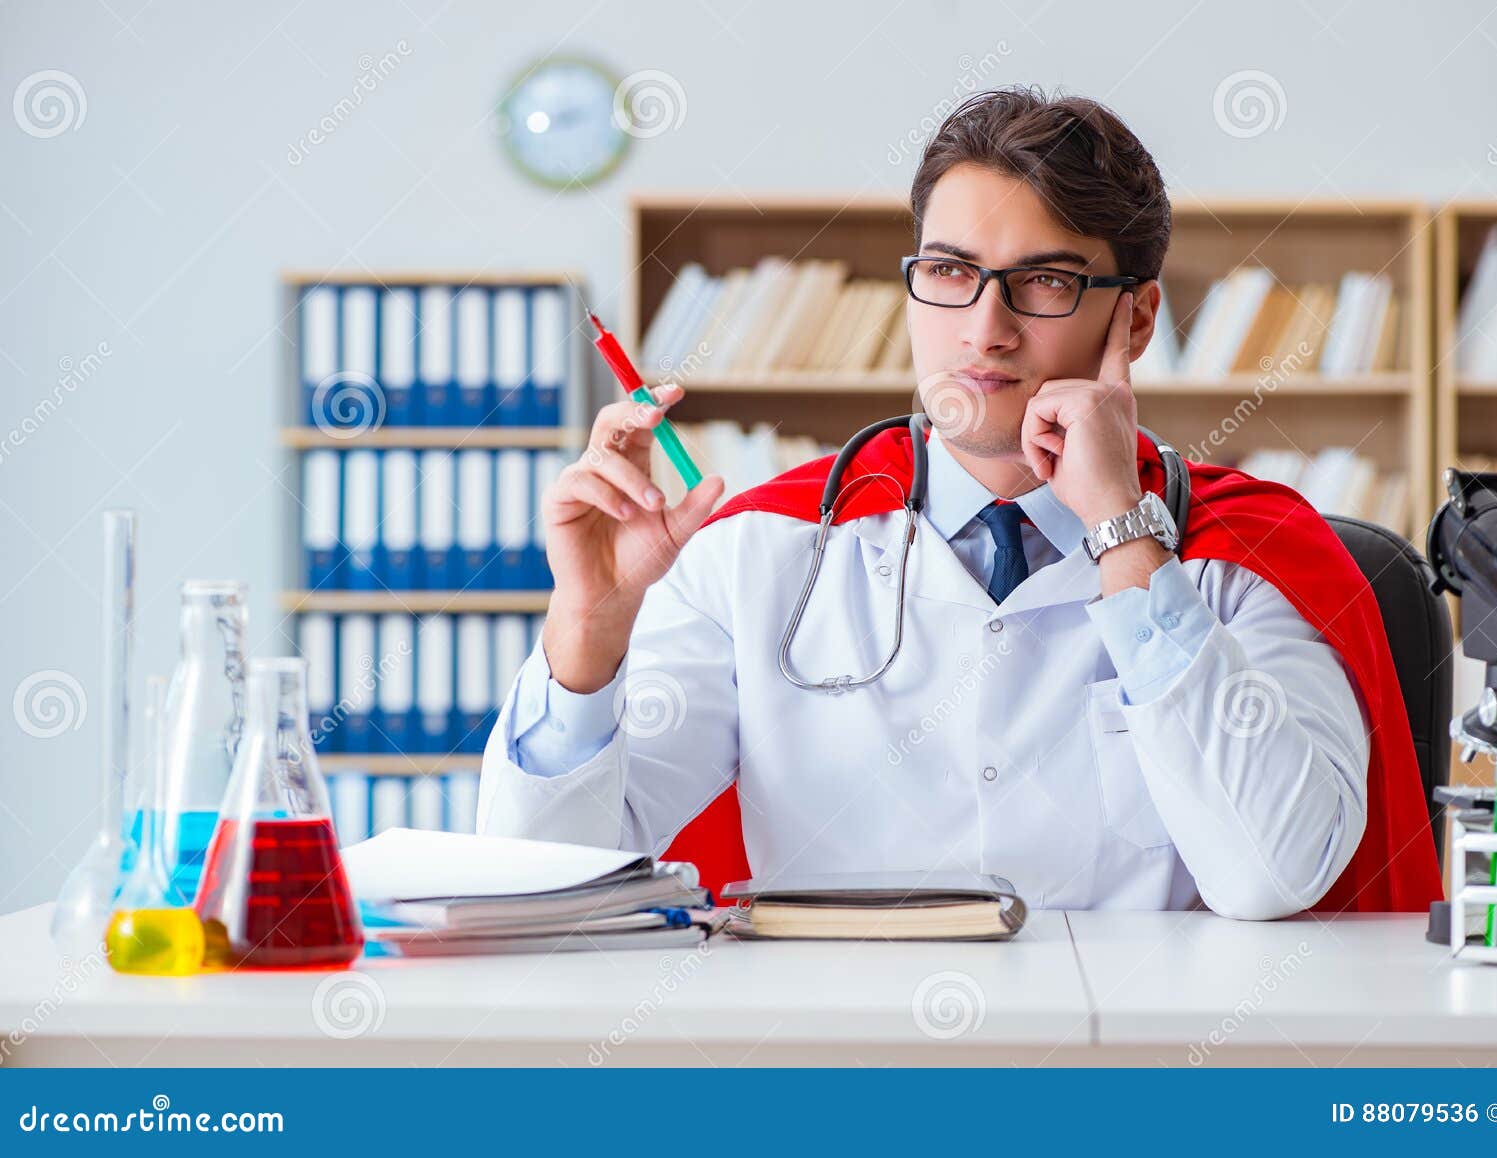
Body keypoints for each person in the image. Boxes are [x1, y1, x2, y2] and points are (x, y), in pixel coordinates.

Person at [478, 86, 1442, 919]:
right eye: (948, 272)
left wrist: (1123, 536)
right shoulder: (755, 550)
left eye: (1045, 281)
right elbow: (544, 878)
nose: (985, 330)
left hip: (1136, 1060)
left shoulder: (1246, 558)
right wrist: (587, 632)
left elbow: (1274, 876)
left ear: (1137, 316)